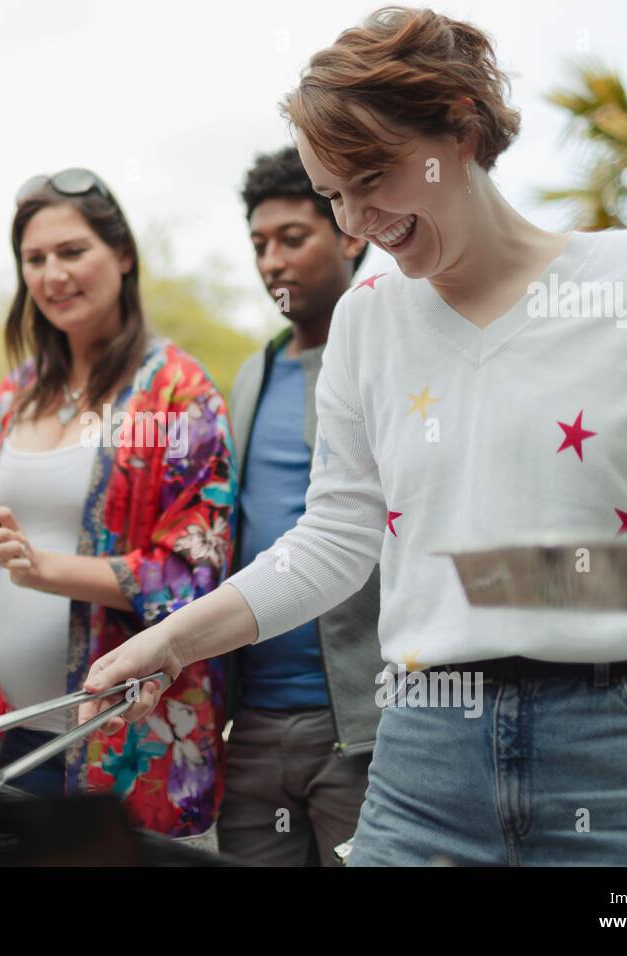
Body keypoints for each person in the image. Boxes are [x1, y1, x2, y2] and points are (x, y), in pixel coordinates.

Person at [81, 7, 627, 866]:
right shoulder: (368, 326)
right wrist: (168, 640)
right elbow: (335, 542)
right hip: (425, 762)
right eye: (334, 195)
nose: (357, 222)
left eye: (371, 177)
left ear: (458, 122)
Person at [0, 168, 235, 843]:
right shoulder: (18, 392)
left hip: (131, 750)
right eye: (34, 259)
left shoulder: (179, 393)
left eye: (72, 252)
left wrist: (45, 568)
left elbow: (196, 577)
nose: (51, 274)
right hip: (12, 737)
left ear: (122, 255)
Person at [220, 146, 380, 866]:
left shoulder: (389, 354)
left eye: (293, 238)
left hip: (361, 726)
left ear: (350, 234)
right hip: (254, 724)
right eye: (259, 245)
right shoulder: (252, 374)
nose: (272, 262)